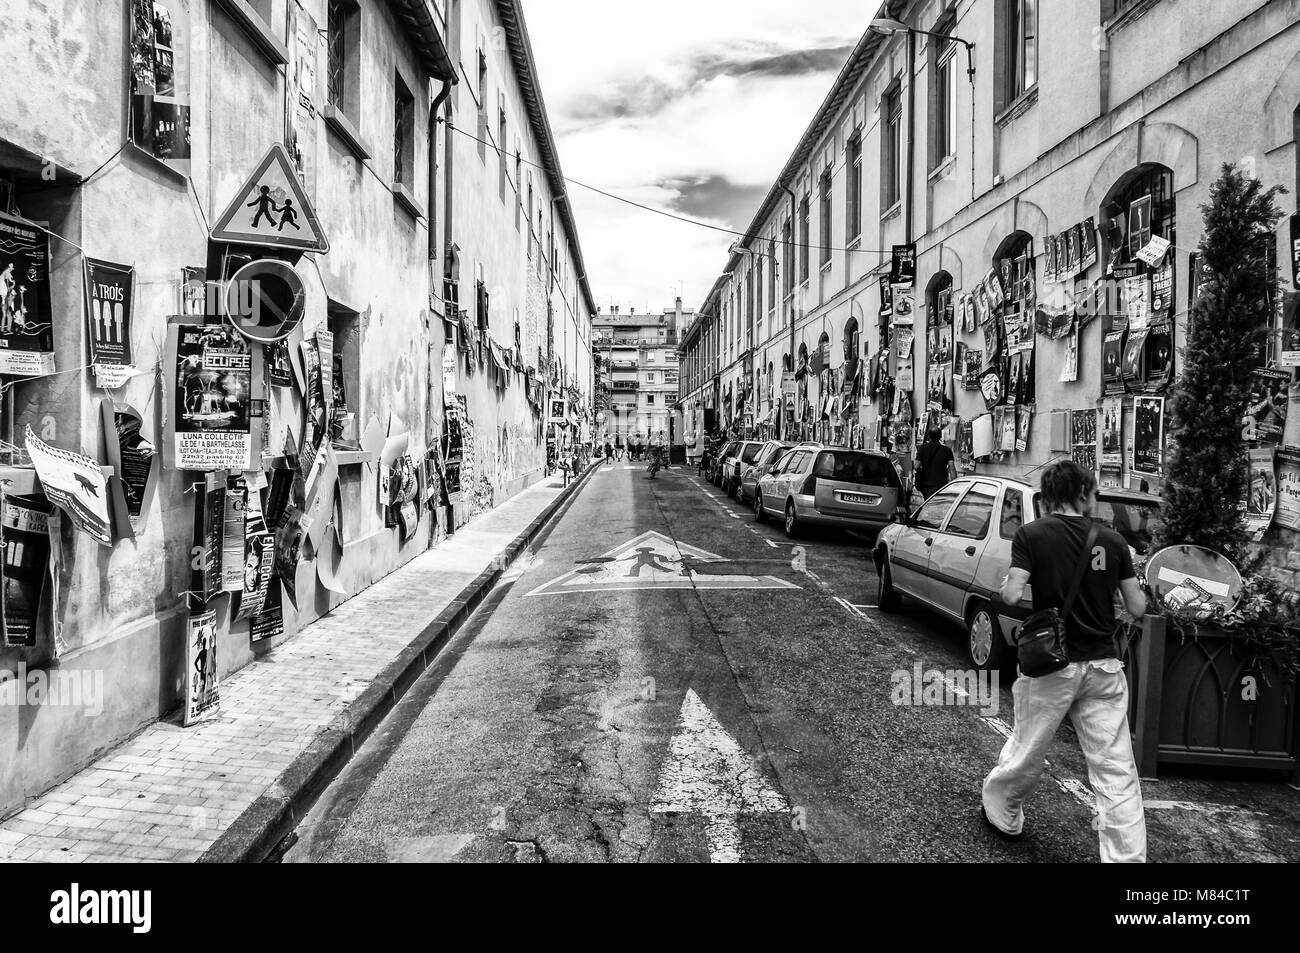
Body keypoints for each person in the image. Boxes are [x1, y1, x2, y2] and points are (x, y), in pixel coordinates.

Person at [983, 459, 1148, 863]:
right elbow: (1138, 607)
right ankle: (1125, 859)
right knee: (1116, 771)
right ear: (1080, 494)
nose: (1094, 501)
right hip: (1104, 667)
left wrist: (1017, 582)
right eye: (1092, 494)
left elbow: (1010, 595)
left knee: (1029, 747)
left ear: (1048, 496)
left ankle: (1005, 816)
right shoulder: (1112, 541)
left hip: (1051, 664)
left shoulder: (1031, 534)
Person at [914, 428, 955, 502]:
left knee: (928, 505)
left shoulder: (923, 448)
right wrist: (955, 485)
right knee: (939, 506)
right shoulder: (947, 450)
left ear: (929, 436)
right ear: (940, 436)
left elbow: (916, 465)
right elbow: (952, 468)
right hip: (941, 486)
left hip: (926, 485)